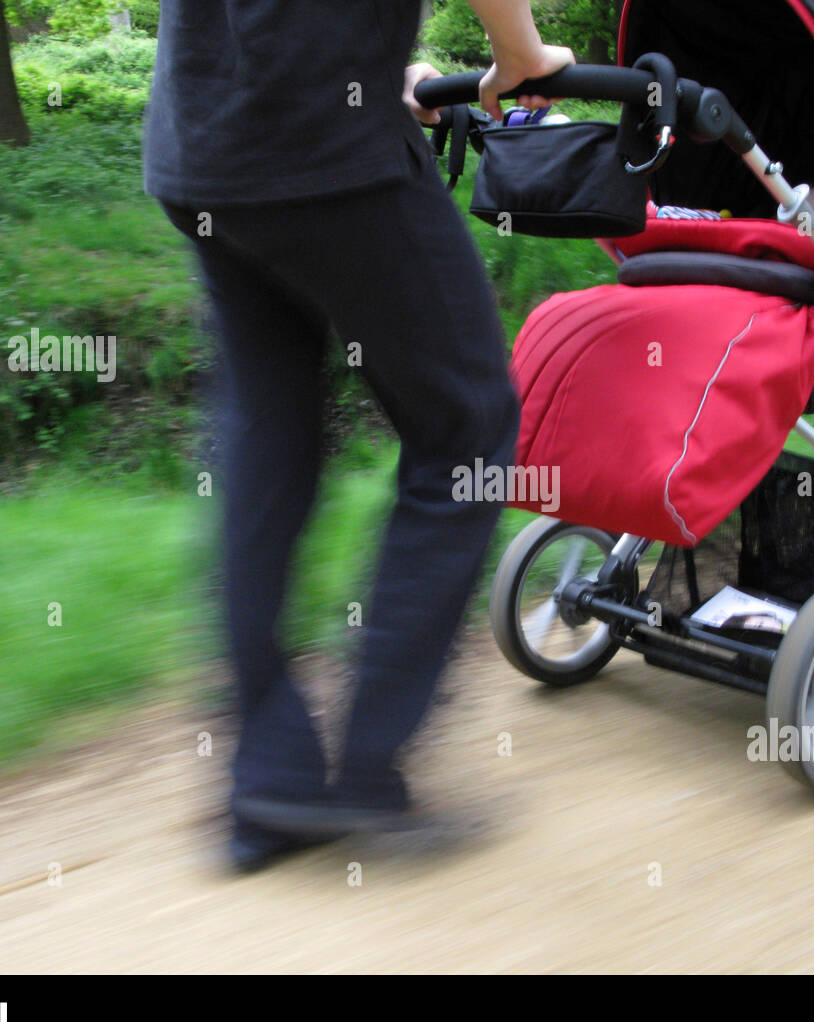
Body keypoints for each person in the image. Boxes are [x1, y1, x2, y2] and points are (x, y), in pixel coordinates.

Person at [143, 2, 573, 871]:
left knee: (265, 431)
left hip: (200, 145)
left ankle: (267, 783)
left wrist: (376, 71)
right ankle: (369, 767)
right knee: (468, 425)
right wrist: (517, 54)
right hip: (320, 152)